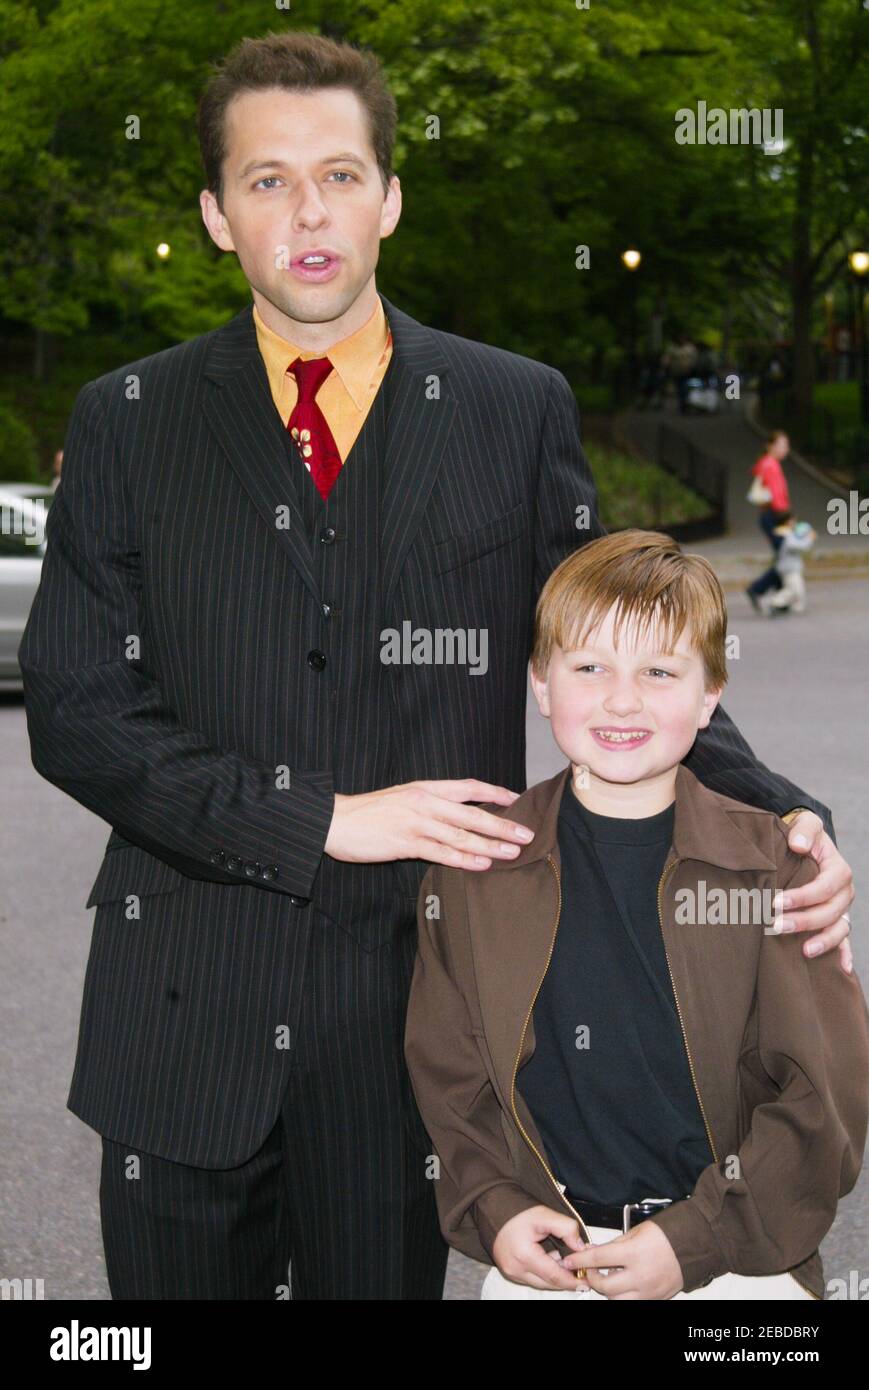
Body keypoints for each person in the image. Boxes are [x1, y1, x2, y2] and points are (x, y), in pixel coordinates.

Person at [18, 32, 854, 1303]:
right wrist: (322, 819)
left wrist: (790, 822)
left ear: (391, 198)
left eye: (341, 175)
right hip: (182, 1012)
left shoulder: (512, 407)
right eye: (266, 180)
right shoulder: (126, 422)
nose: (309, 212)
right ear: (211, 213)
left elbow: (630, 642)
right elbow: (78, 714)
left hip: (417, 1019)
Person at [405, 530, 868, 1301]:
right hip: (548, 1262)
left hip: (739, 1265)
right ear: (541, 684)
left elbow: (823, 1101)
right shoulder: (471, 873)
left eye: (658, 671)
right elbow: (448, 1077)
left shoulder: (774, 869)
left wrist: (698, 1238)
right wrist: (495, 1205)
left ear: (709, 695)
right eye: (589, 667)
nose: (622, 699)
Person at [746, 428, 792, 611]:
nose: (785, 449)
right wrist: (788, 518)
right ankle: (758, 589)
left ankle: (781, 599)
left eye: (786, 446)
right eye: (782, 445)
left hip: (770, 516)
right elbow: (777, 495)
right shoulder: (771, 465)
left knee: (783, 555)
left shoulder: (768, 464)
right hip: (775, 516)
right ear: (771, 446)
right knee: (786, 556)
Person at [767, 515, 817, 616]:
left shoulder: (789, 534)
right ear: (786, 522)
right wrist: (809, 539)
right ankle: (775, 602)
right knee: (794, 589)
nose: (794, 523)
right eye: (792, 521)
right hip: (788, 568)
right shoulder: (787, 534)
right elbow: (798, 546)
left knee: (797, 589)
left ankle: (791, 605)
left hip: (790, 567)